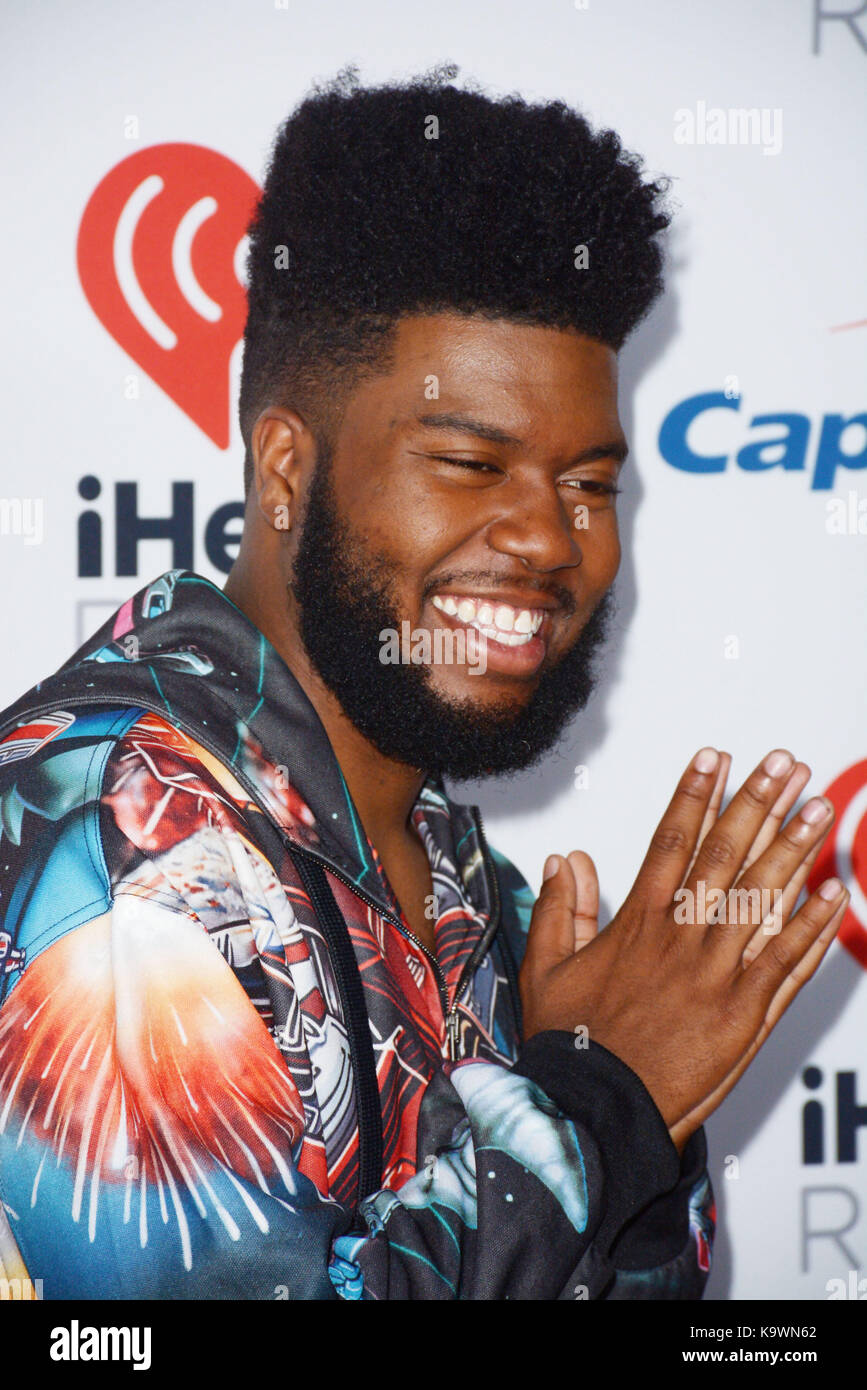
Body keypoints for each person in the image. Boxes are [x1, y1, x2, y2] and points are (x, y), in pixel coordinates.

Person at [0, 69, 846, 1301]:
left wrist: (617, 1118)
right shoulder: (127, 850)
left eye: (590, 484)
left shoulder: (456, 861)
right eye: (467, 461)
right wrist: (604, 1104)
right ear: (285, 467)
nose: (552, 539)